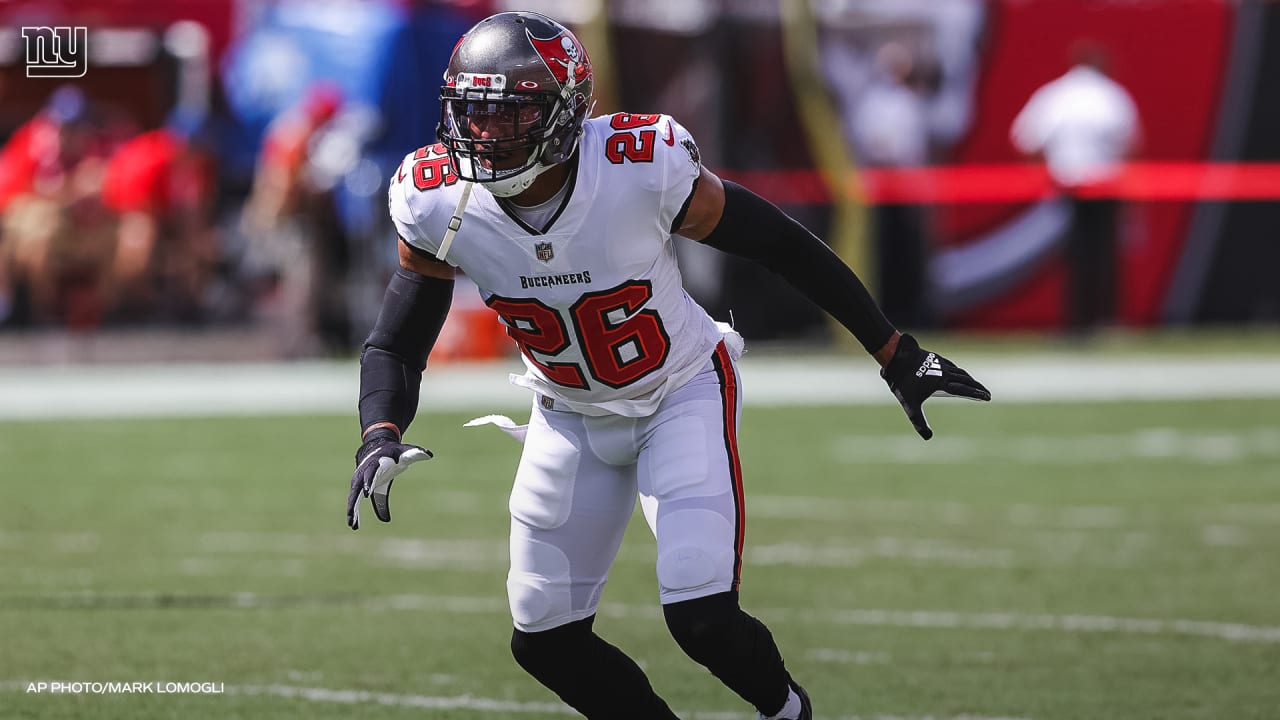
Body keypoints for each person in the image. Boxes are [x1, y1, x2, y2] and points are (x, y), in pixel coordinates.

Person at [346, 12, 990, 720]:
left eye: (511, 113)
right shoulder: (438, 199)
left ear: (564, 114)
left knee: (702, 616)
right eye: (473, 113)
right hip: (567, 415)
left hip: (679, 392)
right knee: (544, 641)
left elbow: (780, 243)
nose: (485, 134)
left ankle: (787, 712)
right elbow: (396, 340)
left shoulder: (636, 165)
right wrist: (380, 430)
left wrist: (894, 352)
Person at [1010, 43, 1140, 332]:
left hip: (1067, 184)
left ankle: (1076, 323)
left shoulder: (1055, 95)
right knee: (1104, 252)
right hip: (1106, 184)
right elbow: (1131, 142)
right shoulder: (1111, 95)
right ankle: (1105, 320)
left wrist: (1043, 174)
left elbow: (1024, 138)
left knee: (1076, 253)